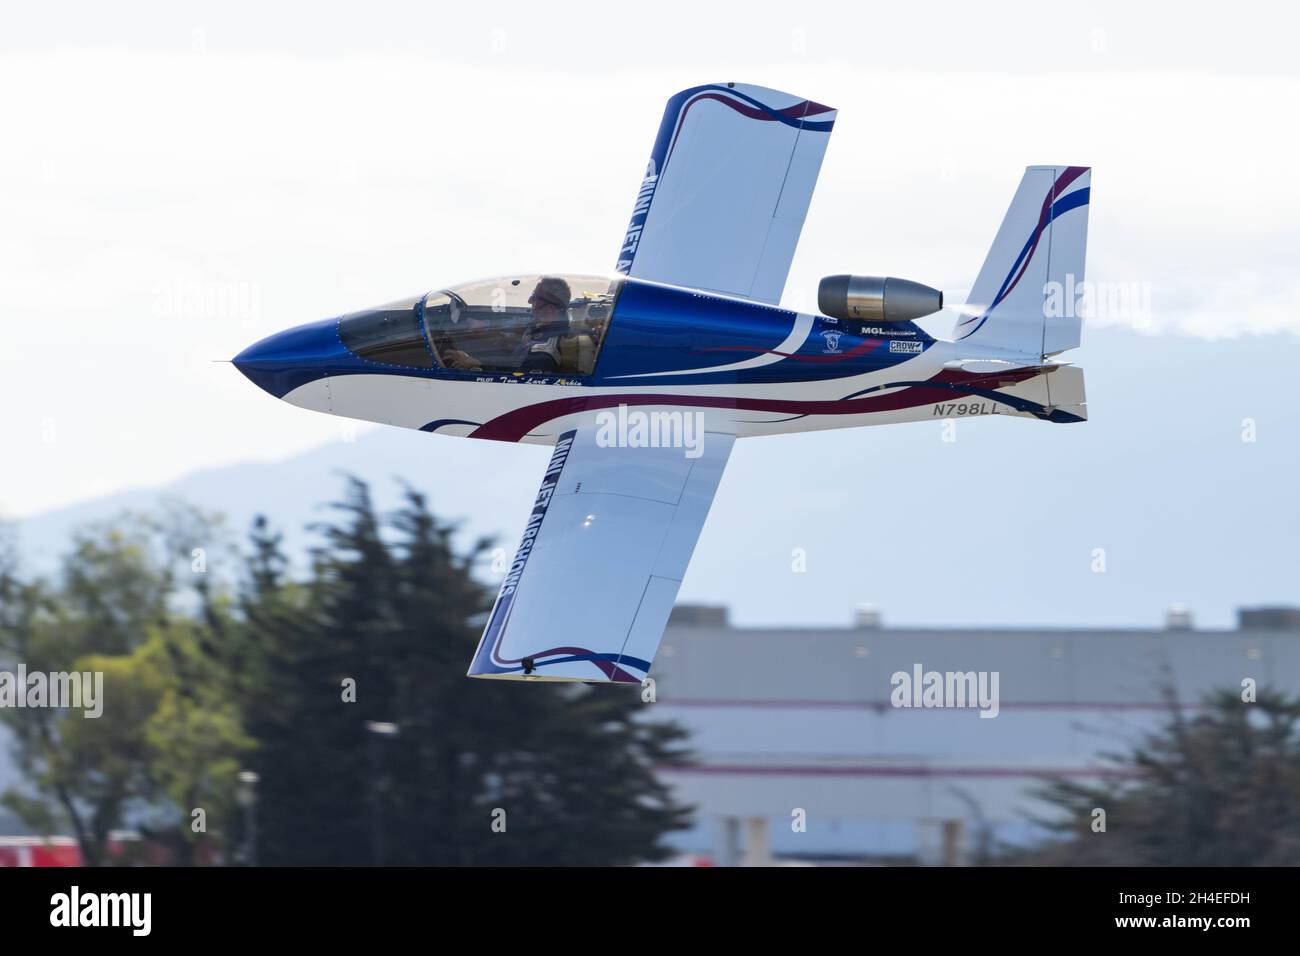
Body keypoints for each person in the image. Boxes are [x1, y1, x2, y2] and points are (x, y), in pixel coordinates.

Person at [520, 277, 572, 375]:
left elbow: (521, 383)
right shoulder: (543, 329)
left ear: (551, 308)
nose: (529, 301)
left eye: (535, 297)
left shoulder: (542, 353)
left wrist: (483, 367)